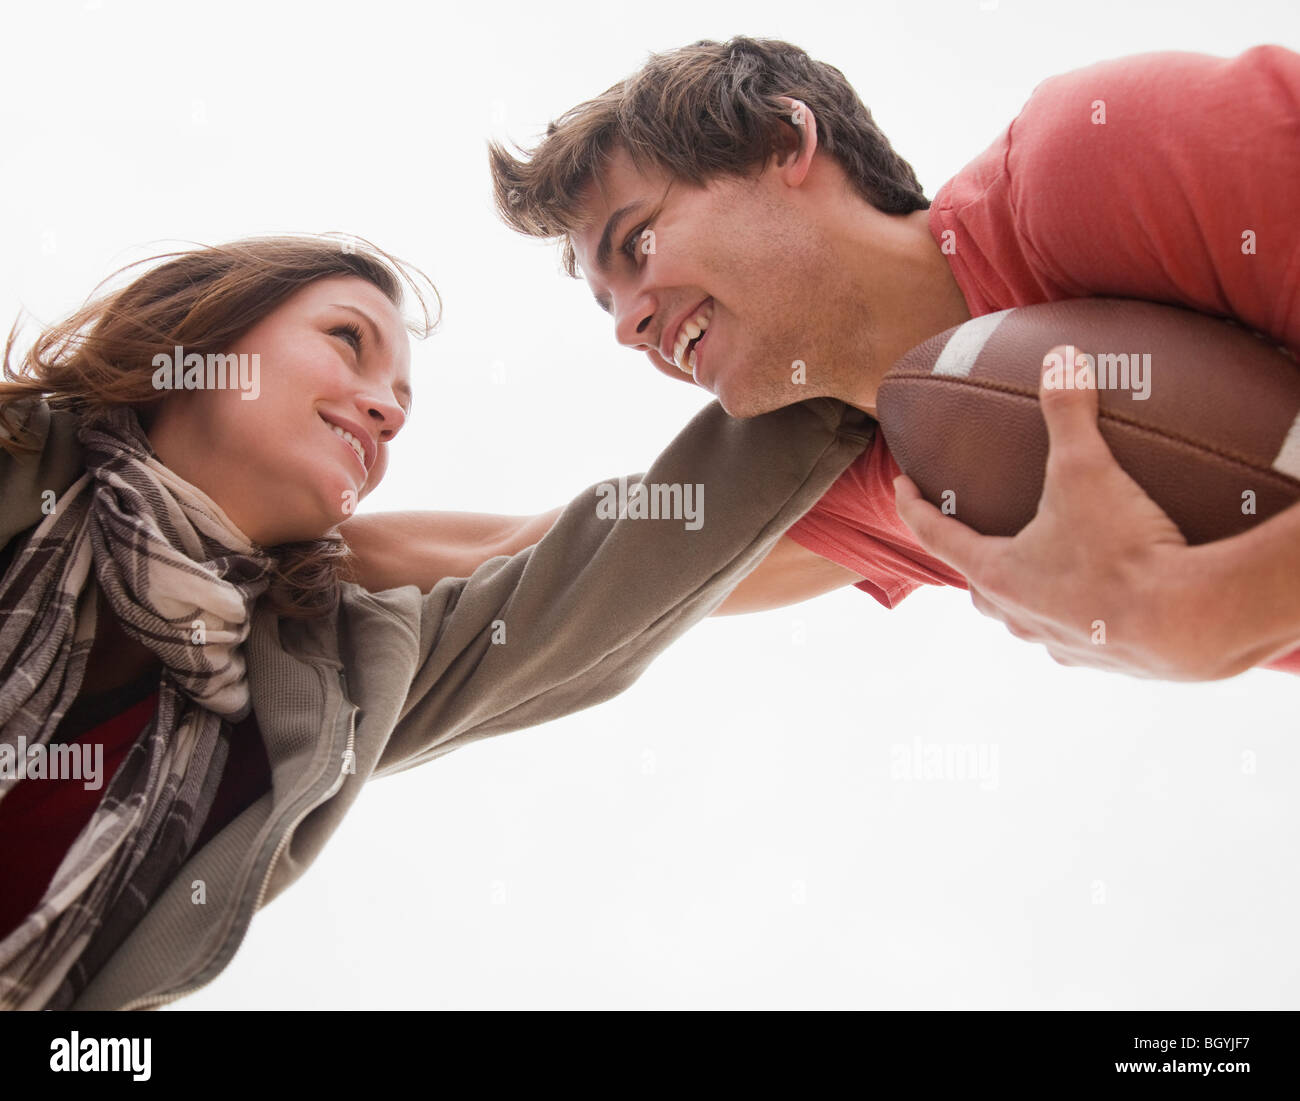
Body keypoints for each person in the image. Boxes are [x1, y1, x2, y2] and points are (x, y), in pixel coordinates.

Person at [0, 234, 871, 1009]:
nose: (387, 409)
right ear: (201, 336)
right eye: (348, 340)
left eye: (399, 400)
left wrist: (864, 350)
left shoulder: (334, 677)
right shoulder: (19, 451)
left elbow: (618, 567)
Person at [475, 35, 1300, 680]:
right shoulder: (872, 488)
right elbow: (543, 564)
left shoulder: (1083, 160)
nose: (628, 327)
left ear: (785, 141)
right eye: (609, 305)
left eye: (638, 244)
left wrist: (1214, 606)